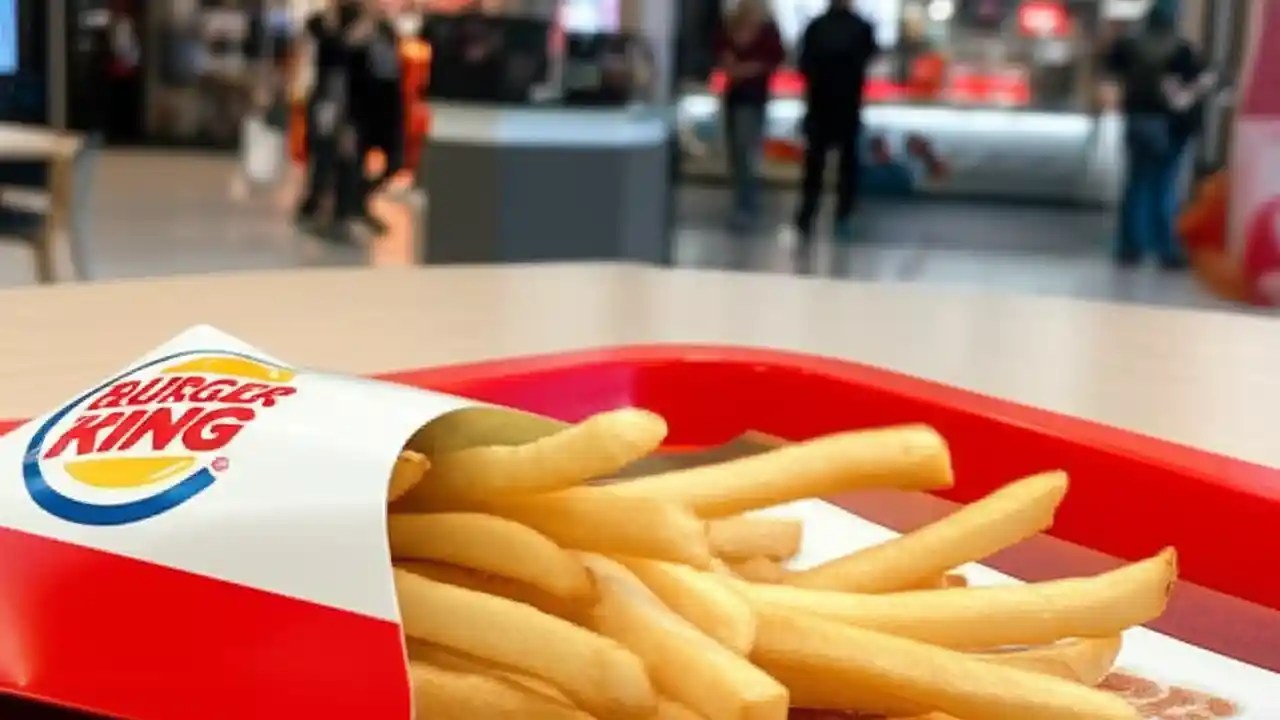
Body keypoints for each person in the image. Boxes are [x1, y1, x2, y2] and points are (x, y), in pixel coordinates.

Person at [1104, 3, 1214, 269]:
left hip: (1138, 121)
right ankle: (1166, 249)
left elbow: (1110, 74)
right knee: (1164, 185)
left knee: (1135, 184)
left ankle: (1129, 247)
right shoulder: (1181, 50)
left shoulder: (1128, 45)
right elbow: (1197, 82)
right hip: (1170, 126)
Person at [794, 0, 878, 243]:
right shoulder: (861, 28)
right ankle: (843, 215)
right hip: (848, 104)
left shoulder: (816, 27)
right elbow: (868, 58)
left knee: (814, 166)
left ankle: (807, 217)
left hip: (819, 103)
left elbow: (804, 64)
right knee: (847, 167)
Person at [714, 0, 784, 234]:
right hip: (733, 96)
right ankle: (741, 203)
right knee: (736, 153)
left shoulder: (767, 29)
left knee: (746, 152)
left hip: (753, 98)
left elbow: (774, 59)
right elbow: (720, 53)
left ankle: (747, 206)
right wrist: (731, 67)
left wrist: (748, 69)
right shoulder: (730, 25)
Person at [295, 0, 363, 242]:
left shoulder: (363, 26)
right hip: (328, 98)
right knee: (324, 154)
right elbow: (331, 48)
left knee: (349, 157)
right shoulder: (322, 26)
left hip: (352, 100)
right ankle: (316, 205)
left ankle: (344, 210)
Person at [347, 1, 405, 233]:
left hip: (388, 104)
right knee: (357, 160)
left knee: (394, 162)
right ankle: (356, 206)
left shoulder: (387, 30)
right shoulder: (357, 30)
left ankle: (359, 197)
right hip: (363, 105)